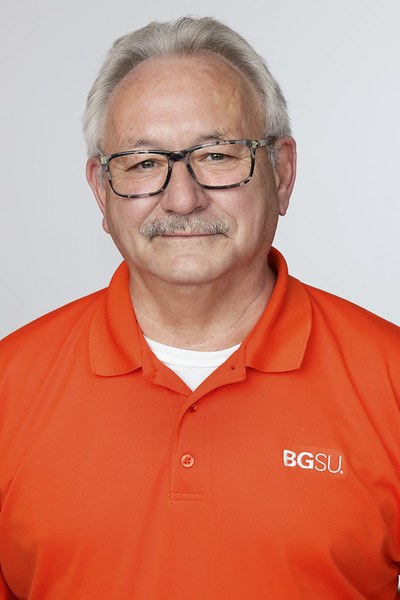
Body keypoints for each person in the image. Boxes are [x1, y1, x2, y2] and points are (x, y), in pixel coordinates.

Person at [0, 15, 399, 600]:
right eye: (143, 162)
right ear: (100, 191)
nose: (182, 198)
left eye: (216, 155)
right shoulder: (9, 385)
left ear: (282, 173)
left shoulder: (391, 379)